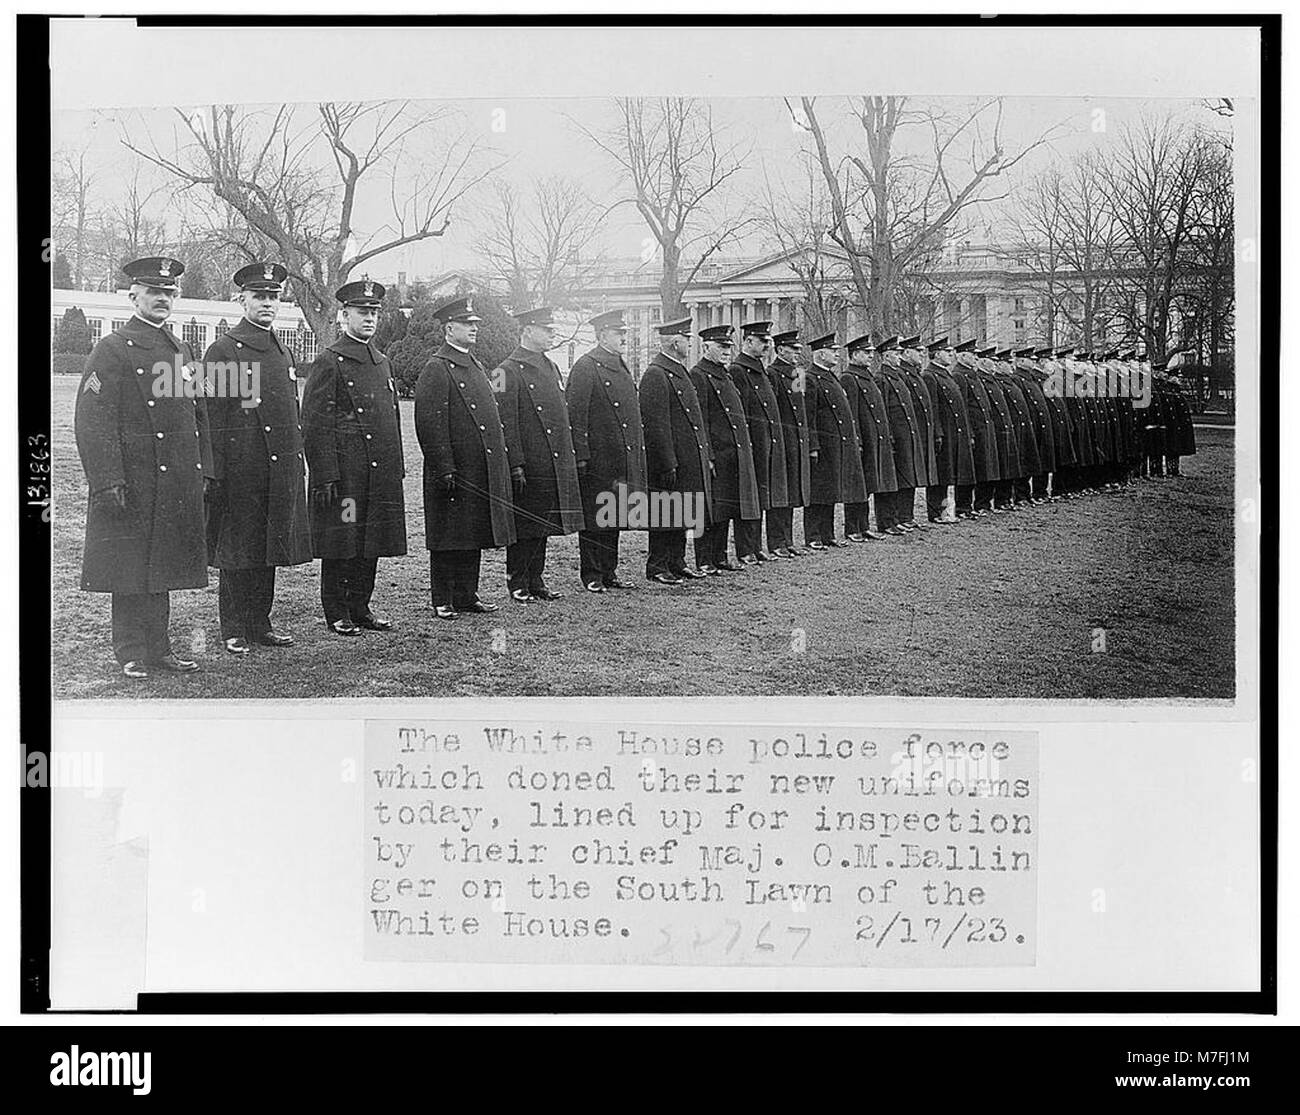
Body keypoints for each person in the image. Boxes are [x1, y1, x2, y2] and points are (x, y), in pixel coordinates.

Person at [74, 256, 210, 679]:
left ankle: (160, 648)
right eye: (154, 292)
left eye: (169, 293)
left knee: (164, 565)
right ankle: (131, 651)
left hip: (174, 477)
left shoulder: (179, 348)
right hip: (133, 478)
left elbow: (195, 411)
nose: (163, 299)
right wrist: (108, 479)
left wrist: (202, 468)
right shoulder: (112, 348)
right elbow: (93, 420)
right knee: (131, 566)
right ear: (133, 296)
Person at [202, 261, 312, 654]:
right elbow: (214, 417)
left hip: (278, 469)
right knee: (238, 550)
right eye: (259, 296)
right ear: (241, 299)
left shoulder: (283, 350)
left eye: (273, 296)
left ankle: (260, 622)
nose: (267, 303)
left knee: (267, 547)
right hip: (240, 470)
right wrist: (214, 473)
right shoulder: (225, 349)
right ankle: (233, 627)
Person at [302, 278, 407, 636]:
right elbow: (315, 423)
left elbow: (391, 417)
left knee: (370, 541)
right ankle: (337, 611)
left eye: (374, 313)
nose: (370, 319)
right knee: (342, 541)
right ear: (343, 315)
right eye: (362, 313)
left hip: (377, 471)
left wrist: (397, 468)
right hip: (345, 473)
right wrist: (325, 474)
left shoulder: (382, 362)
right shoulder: (330, 361)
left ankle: (361, 607)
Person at [414, 295, 515, 619]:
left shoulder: (475, 365)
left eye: (475, 325)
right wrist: (444, 467)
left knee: (471, 531)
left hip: (476, 467)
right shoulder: (437, 367)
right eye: (467, 325)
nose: (474, 329)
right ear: (448, 329)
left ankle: (466, 594)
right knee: (448, 535)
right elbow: (430, 423)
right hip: (453, 469)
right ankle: (443, 598)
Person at [493, 307, 584, 603]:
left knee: (542, 523)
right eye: (546, 329)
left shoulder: (551, 367)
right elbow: (505, 420)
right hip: (527, 461)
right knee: (525, 523)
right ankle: (517, 581)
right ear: (528, 330)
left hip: (551, 459)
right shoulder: (504, 370)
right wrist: (515, 463)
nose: (551, 335)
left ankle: (536, 579)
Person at [564, 309, 647, 593]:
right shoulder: (586, 366)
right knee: (595, 517)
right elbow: (577, 414)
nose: (624, 337)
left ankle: (609, 571)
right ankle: (592, 574)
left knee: (614, 515)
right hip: (598, 459)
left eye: (624, 333)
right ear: (602, 336)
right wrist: (582, 455)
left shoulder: (620, 365)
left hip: (620, 457)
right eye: (618, 333)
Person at [638, 317, 712, 584]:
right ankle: (657, 566)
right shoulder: (656, 374)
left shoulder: (679, 370)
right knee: (664, 512)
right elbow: (656, 425)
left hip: (687, 457)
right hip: (669, 460)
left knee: (682, 511)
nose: (691, 343)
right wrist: (667, 461)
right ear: (674, 342)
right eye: (687, 338)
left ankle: (677, 561)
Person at [689, 324, 759, 573]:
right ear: (706, 347)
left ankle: (719, 556)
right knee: (710, 510)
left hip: (733, 453)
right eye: (721, 347)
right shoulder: (699, 374)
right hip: (716, 453)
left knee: (726, 508)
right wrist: (707, 454)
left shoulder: (724, 374)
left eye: (729, 346)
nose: (727, 351)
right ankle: (705, 558)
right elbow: (701, 420)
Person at [729, 320, 788, 563]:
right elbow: (739, 411)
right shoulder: (738, 370)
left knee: (762, 495)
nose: (767, 346)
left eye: (768, 342)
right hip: (752, 443)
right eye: (763, 341)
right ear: (748, 341)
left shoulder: (761, 369)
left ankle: (755, 546)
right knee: (750, 498)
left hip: (767, 441)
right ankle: (746, 548)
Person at [802, 333, 867, 550]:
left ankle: (827, 534)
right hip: (822, 445)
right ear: (821, 353)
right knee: (819, 491)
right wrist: (813, 446)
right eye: (833, 351)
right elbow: (807, 416)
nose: (838, 355)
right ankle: (813, 535)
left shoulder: (831, 377)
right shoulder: (809, 377)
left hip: (837, 444)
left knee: (829, 490)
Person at [840, 333, 895, 540]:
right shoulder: (849, 378)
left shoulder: (867, 376)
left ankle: (863, 526)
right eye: (866, 353)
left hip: (876, 439)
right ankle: (853, 527)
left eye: (871, 353)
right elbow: (851, 414)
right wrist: (858, 441)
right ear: (854, 355)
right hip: (862, 441)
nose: (871, 356)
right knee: (857, 485)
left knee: (870, 483)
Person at [767, 329, 813, 557]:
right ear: (780, 350)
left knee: (793, 491)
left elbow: (802, 411)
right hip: (782, 442)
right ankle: (776, 542)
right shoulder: (773, 373)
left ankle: (787, 540)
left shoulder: (798, 374)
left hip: (797, 442)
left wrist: (808, 443)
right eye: (793, 349)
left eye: (798, 349)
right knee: (780, 492)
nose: (798, 352)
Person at [923, 336, 976, 523]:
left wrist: (967, 432)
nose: (951, 354)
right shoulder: (930, 376)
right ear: (937, 354)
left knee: (951, 473)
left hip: (955, 432)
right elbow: (933, 408)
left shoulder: (947, 375)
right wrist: (938, 433)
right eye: (947, 352)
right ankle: (937, 512)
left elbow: (961, 408)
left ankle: (952, 510)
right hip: (944, 433)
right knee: (942, 475)